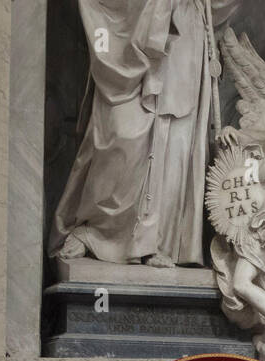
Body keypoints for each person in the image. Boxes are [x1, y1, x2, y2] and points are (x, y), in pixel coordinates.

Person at [49, 0, 243, 267]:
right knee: (123, 138)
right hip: (137, 33)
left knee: (176, 143)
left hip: (184, 39)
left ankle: (157, 243)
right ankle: (96, 231)